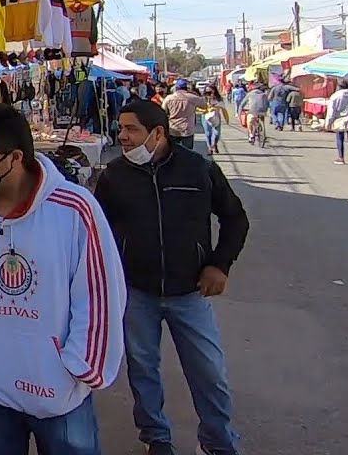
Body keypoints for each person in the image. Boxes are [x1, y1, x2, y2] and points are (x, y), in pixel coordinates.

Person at [0, 104, 125, 455]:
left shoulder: (74, 209)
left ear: (15, 157)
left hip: (58, 391)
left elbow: (99, 294)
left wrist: (78, 367)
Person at [93, 99, 249, 455]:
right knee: (143, 369)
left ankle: (217, 441)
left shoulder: (199, 169)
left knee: (209, 372)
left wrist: (219, 264)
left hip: (189, 291)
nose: (123, 137)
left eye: (131, 129)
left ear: (158, 132)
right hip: (136, 291)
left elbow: (236, 219)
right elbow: (98, 231)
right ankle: (156, 437)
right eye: (122, 129)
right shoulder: (115, 175)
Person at [161, 79, 205, 151]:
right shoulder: (192, 98)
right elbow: (204, 105)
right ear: (186, 88)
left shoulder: (169, 98)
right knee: (188, 151)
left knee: (172, 150)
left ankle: (174, 162)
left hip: (173, 128)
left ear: (176, 88)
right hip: (187, 129)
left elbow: (163, 111)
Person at [197, 86, 232, 155]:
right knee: (208, 134)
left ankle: (214, 144)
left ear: (214, 92)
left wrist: (227, 120)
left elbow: (224, 111)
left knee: (217, 134)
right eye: (206, 92)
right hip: (205, 117)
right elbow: (198, 109)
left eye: (210, 92)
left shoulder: (219, 100)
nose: (208, 94)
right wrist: (206, 110)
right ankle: (210, 148)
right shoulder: (202, 100)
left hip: (216, 117)